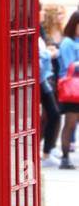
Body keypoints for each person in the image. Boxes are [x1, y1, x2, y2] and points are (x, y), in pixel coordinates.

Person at [59, 10, 79, 170]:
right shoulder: (67, 43)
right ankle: (65, 158)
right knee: (70, 123)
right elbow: (69, 66)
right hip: (72, 89)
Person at [41, 26, 61, 168]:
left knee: (53, 115)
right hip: (39, 80)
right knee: (51, 115)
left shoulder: (39, 33)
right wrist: (49, 53)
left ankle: (47, 152)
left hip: (43, 80)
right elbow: (37, 58)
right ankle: (45, 152)